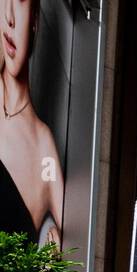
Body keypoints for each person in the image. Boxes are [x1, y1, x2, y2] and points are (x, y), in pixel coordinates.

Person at [0, 0, 63, 245]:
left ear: (35, 18)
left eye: (20, 1)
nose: (9, 16)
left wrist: (54, 250)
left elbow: (80, 249)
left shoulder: (44, 151)